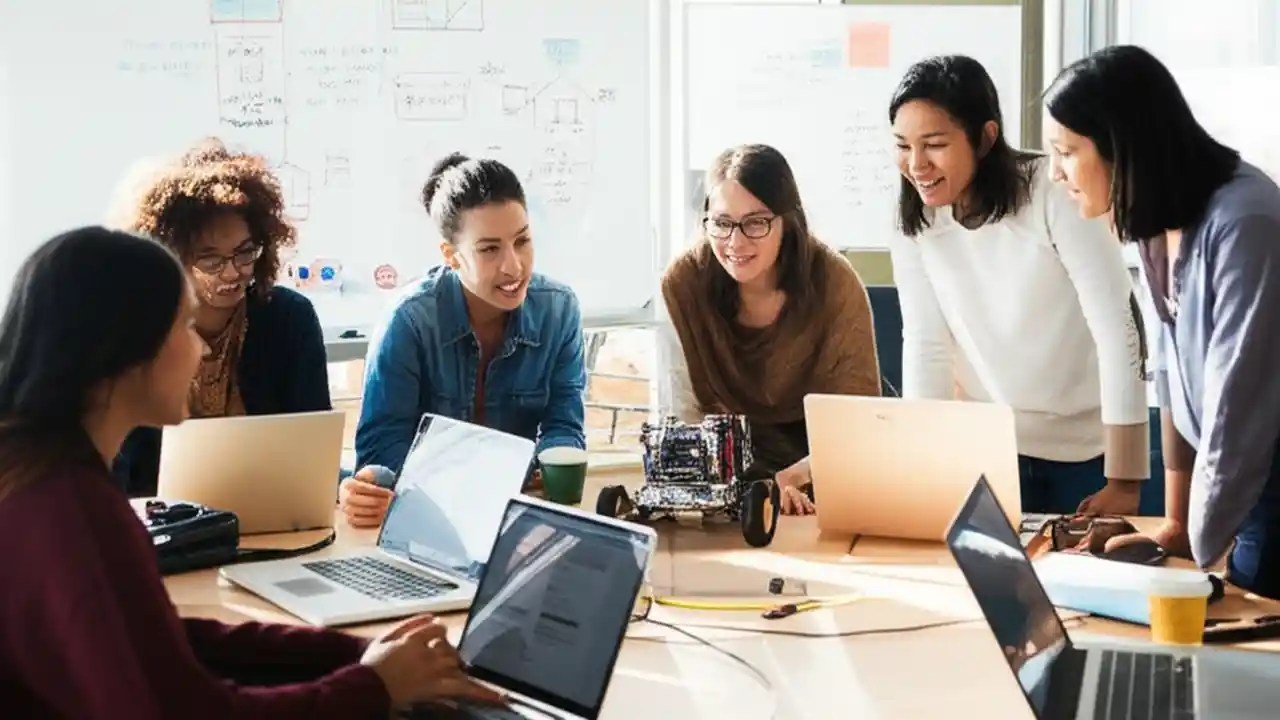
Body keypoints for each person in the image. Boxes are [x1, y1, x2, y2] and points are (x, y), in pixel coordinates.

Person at [0, 226, 505, 717]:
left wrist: (359, 656)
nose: (199, 350)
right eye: (184, 326)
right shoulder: (76, 512)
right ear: (127, 351)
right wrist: (371, 687)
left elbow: (173, 642)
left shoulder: (39, 481)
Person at [1044, 45, 1280, 598]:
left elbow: (1236, 411)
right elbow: (1173, 380)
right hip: (1235, 486)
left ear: (1123, 148)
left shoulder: (1245, 222)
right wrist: (1172, 526)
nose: (1055, 172)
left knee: (1247, 640)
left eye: (1067, 151)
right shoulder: (1155, 220)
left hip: (1266, 484)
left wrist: (1201, 552)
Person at [886, 55, 1150, 515]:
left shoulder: (1053, 195)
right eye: (902, 145)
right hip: (984, 450)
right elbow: (926, 344)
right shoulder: (915, 218)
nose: (916, 164)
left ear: (985, 137)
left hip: (1084, 452)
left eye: (933, 145)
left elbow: (1118, 327)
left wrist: (1125, 479)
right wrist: (919, 463)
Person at [341, 153, 586, 527]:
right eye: (489, 249)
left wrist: (553, 467)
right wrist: (370, 486)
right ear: (451, 256)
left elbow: (563, 425)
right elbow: (383, 451)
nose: (513, 266)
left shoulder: (559, 309)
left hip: (514, 517)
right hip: (429, 518)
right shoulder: (408, 321)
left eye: (522, 241)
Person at [659, 143, 882, 516]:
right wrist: (743, 487)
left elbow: (860, 424)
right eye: (722, 222)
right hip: (728, 469)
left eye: (756, 222)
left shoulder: (834, 281)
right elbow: (684, 416)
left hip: (825, 466)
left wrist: (798, 476)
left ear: (787, 221)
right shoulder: (684, 283)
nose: (736, 241)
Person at [110, 139, 331, 496]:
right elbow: (117, 469)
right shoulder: (138, 330)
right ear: (171, 255)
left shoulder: (289, 318)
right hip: (161, 525)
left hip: (272, 512)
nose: (232, 273)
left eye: (245, 253)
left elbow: (315, 446)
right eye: (210, 259)